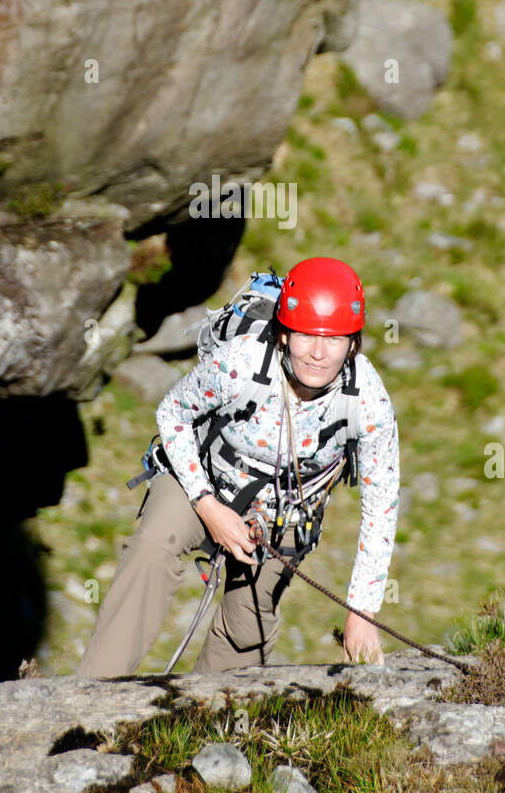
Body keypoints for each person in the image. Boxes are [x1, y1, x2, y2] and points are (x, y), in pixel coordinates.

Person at [75, 257, 400, 677]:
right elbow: (173, 414)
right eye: (303, 336)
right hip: (201, 477)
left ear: (353, 343)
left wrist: (362, 612)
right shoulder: (243, 361)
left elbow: (381, 504)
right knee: (154, 545)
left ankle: (211, 734)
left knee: (248, 627)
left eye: (334, 339)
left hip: (283, 515)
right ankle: (92, 693)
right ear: (283, 335)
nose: (318, 354)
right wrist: (208, 507)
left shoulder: (368, 401)